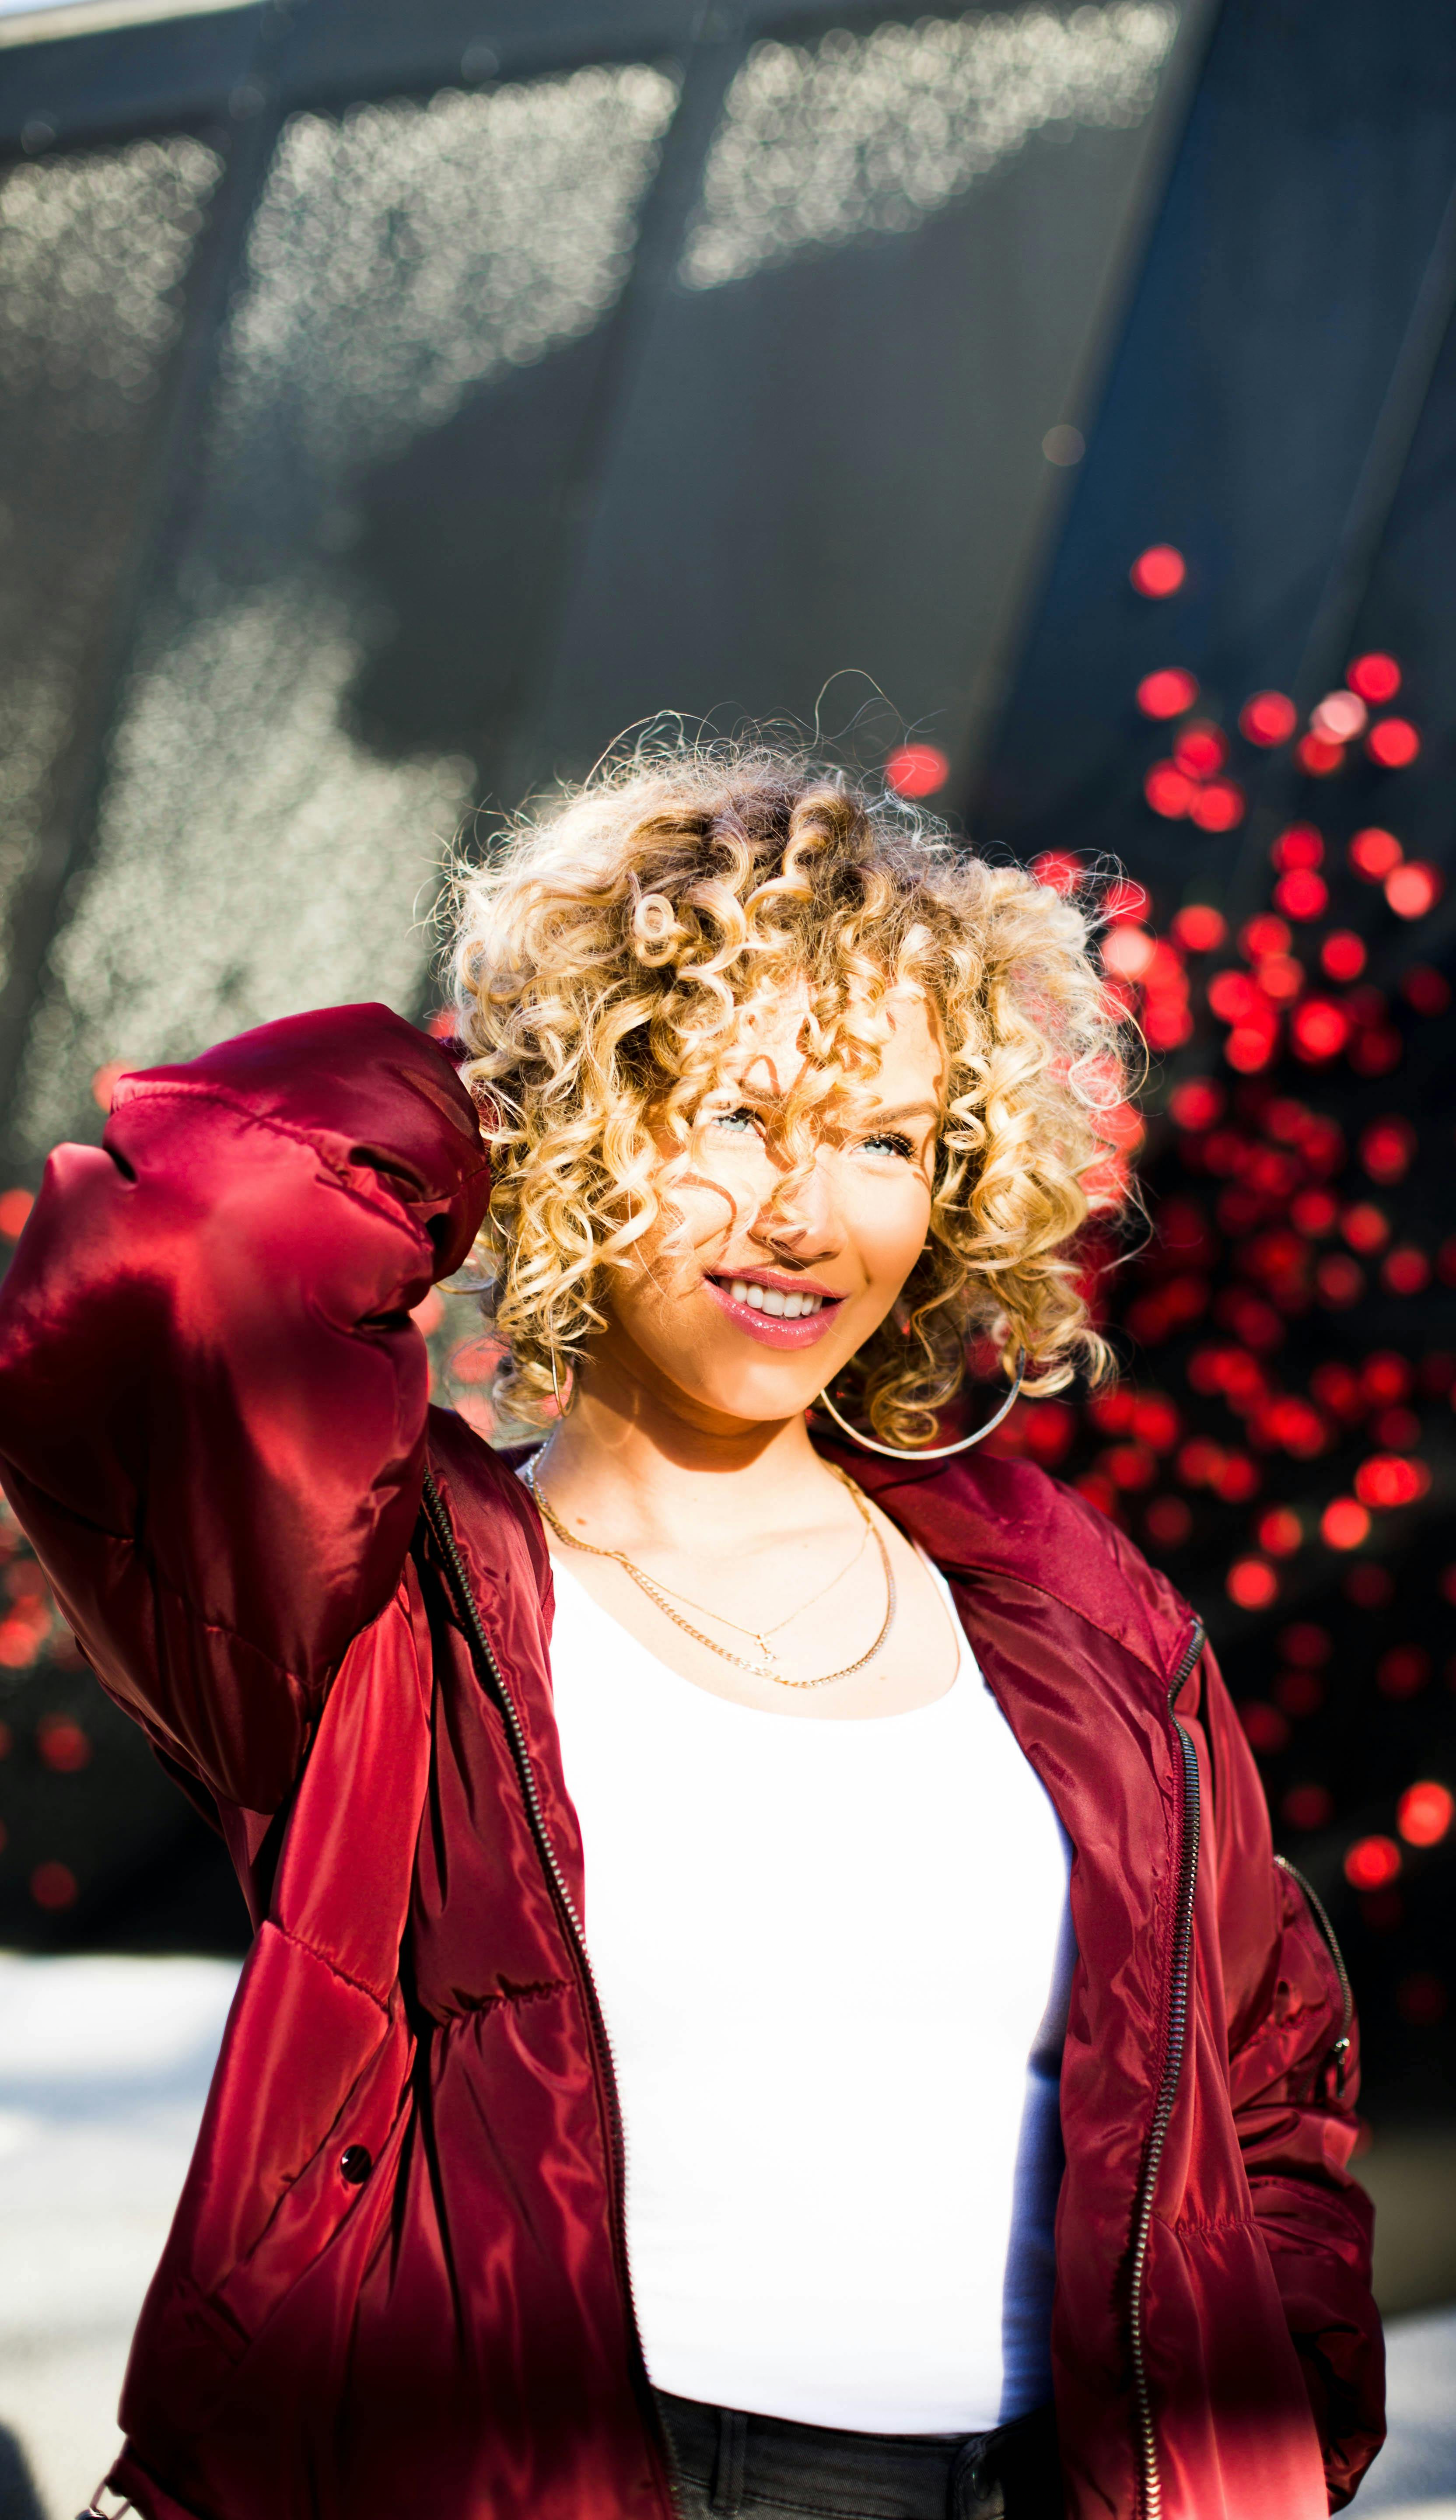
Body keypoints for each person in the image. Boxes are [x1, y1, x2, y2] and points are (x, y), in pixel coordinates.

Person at [0, 747, 1382, 2520]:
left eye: (882, 1139)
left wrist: (1251, 2464)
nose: (804, 1217)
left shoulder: (1079, 1624)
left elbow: (1265, 2105)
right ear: (584, 1133)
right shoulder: (382, 1604)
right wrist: (513, 1065)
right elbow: (175, 1256)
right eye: (732, 1116)